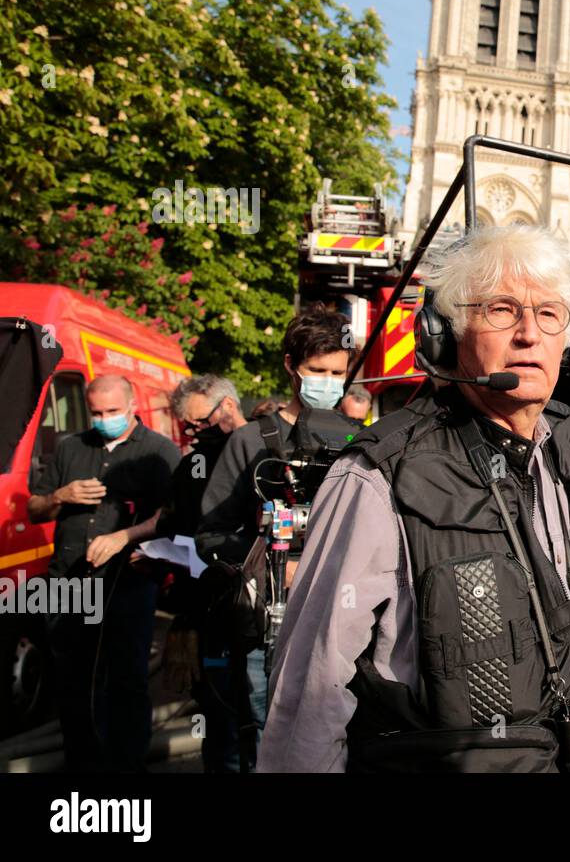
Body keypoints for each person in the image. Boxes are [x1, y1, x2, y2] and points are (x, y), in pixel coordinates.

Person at [259, 224, 570, 773]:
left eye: (548, 314)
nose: (528, 334)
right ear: (446, 333)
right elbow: (309, 690)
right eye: (500, 310)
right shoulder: (376, 475)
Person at [194, 304, 357, 770]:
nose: (328, 380)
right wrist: (266, 558)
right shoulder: (249, 441)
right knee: (266, 734)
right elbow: (210, 534)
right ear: (291, 365)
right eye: (316, 370)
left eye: (337, 372)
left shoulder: (360, 438)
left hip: (339, 621)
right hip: (270, 622)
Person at [27, 374, 180, 772]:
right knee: (71, 680)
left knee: (127, 679)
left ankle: (127, 766)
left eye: (112, 411)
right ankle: (81, 765)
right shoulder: (70, 448)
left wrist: (123, 536)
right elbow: (34, 508)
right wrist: (60, 496)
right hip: (68, 583)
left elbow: (173, 515)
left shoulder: (159, 451)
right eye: (95, 412)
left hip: (127, 583)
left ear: (132, 406)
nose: (103, 419)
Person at [155, 374, 248, 773]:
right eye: (188, 426)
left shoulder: (266, 448)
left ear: (227, 406)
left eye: (200, 422)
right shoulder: (192, 464)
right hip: (206, 614)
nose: (195, 432)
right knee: (217, 727)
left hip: (258, 611)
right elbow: (173, 523)